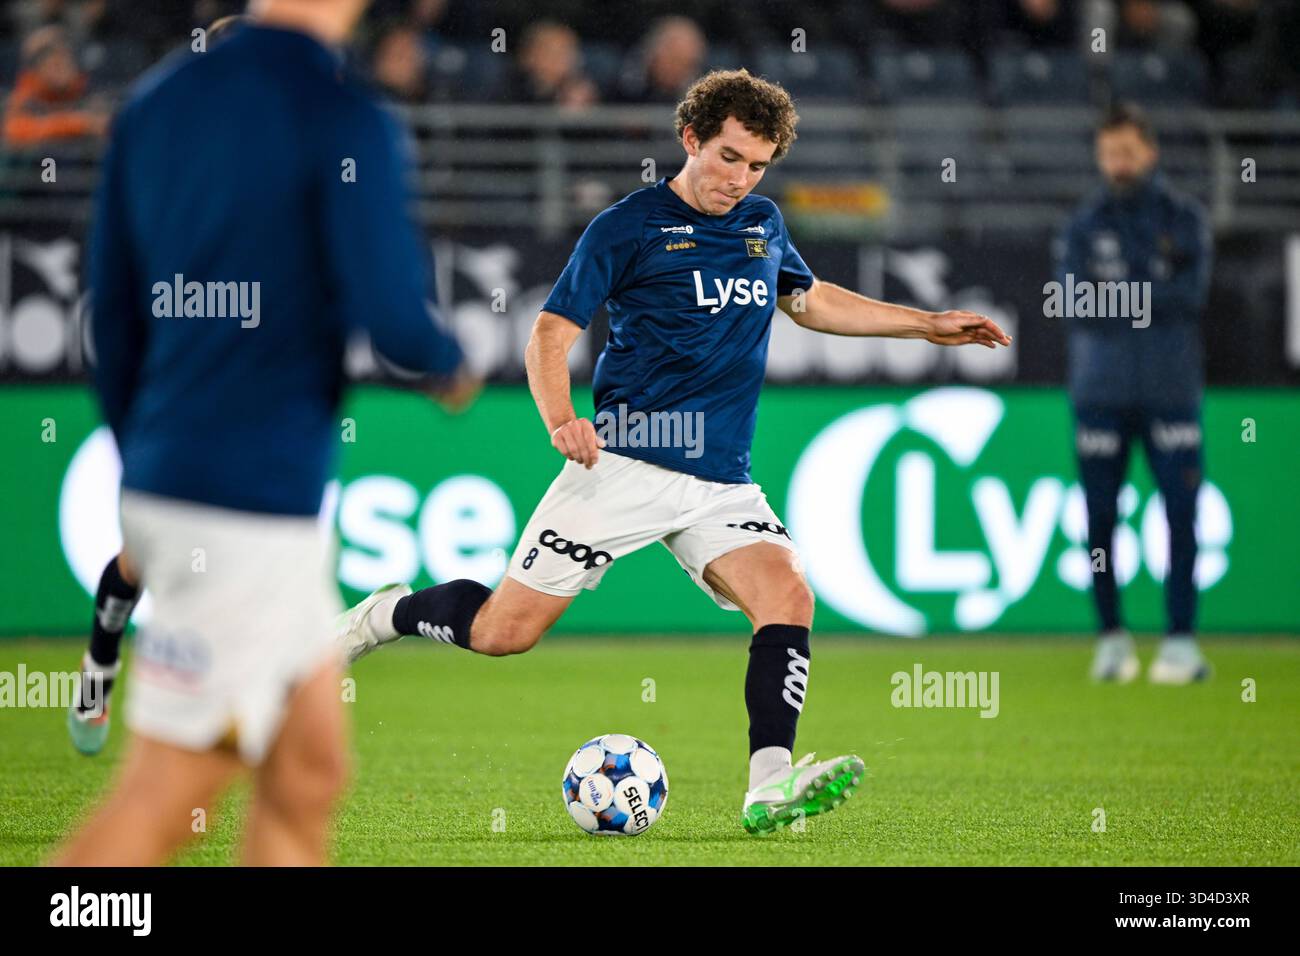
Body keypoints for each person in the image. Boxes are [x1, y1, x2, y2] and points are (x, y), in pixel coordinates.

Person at [337, 68, 1011, 835]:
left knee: (788, 597)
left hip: (722, 482)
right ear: (691, 139)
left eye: (757, 165)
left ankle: (769, 786)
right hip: (625, 465)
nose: (741, 179)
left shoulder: (763, 223)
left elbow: (810, 299)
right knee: (502, 633)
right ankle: (385, 614)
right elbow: (549, 333)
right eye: (729, 157)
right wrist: (562, 418)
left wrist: (925, 323)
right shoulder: (627, 226)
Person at [53, 0, 472, 866]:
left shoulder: (156, 102)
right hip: (244, 503)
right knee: (168, 792)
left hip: (181, 471)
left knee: (307, 768)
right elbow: (394, 316)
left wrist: (150, 457)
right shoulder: (344, 113)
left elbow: (112, 318)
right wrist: (447, 361)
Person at [64, 12, 246, 761]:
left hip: (247, 381)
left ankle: (219, 695)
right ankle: (102, 662)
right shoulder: (167, 153)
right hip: (168, 376)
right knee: (146, 553)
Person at [1057, 102, 1213, 685]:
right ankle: (1111, 639)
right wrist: (1151, 291)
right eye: (1109, 153)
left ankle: (1180, 641)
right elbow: (1073, 303)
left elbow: (1192, 297)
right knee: (1101, 519)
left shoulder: (1185, 218)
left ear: (1149, 151)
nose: (1118, 163)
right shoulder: (1084, 223)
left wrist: (1119, 294)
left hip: (1171, 391)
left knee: (1182, 515)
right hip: (1101, 393)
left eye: (1127, 152)